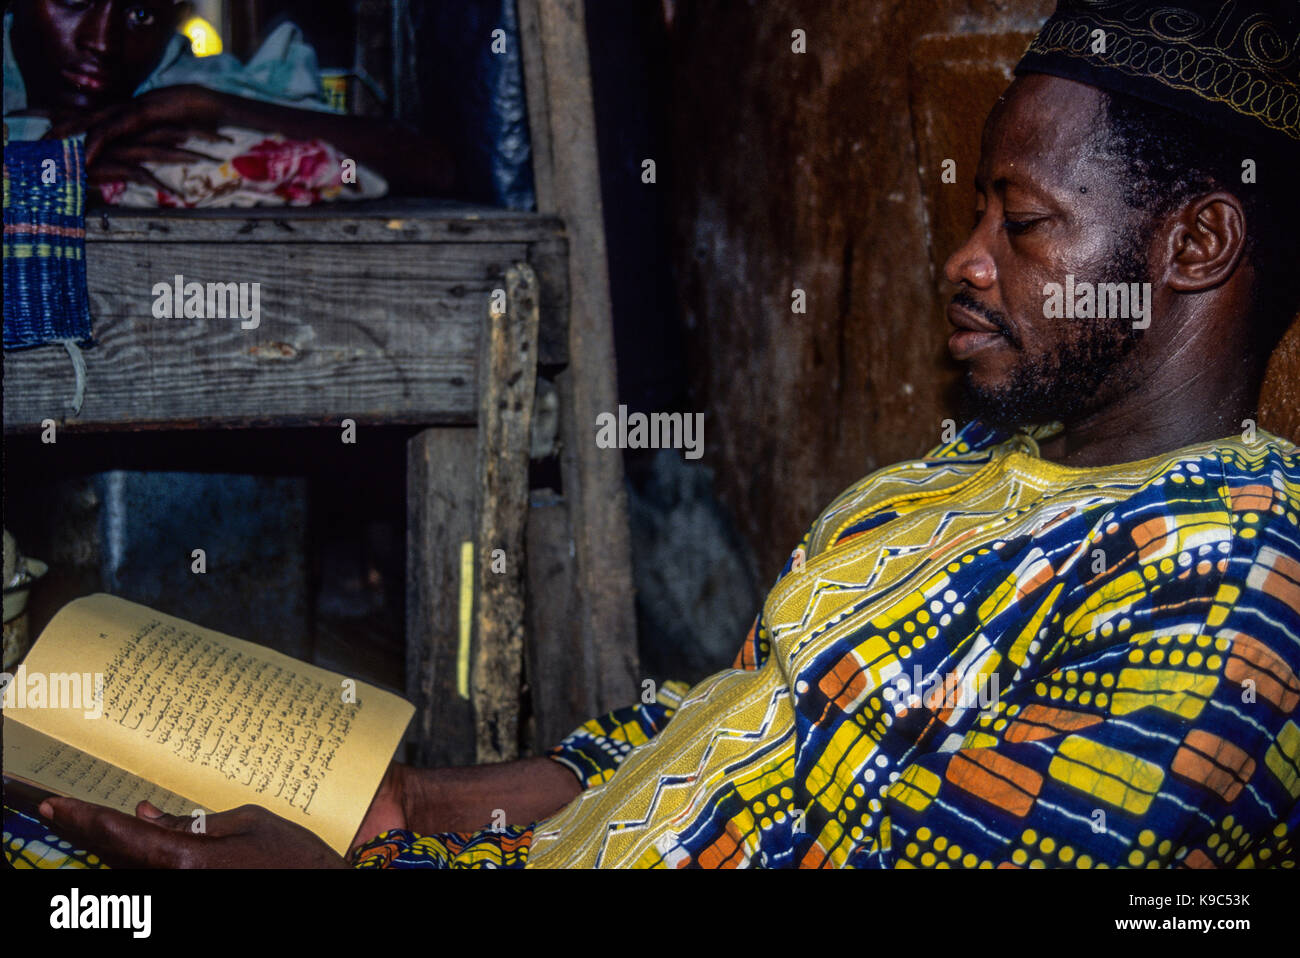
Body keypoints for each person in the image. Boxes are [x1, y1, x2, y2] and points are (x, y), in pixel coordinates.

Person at [25, 0, 1300, 868]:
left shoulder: (1230, 603)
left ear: (1194, 245)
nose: (961, 263)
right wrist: (414, 806)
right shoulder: (944, 481)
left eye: (1019, 223)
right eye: (976, 211)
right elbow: (711, 727)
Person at [3, 0, 453, 196]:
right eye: (74, 0)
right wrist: (39, 170)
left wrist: (211, 107)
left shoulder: (173, 79)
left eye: (141, 14)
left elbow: (431, 165)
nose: (102, 41)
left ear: (173, 20)